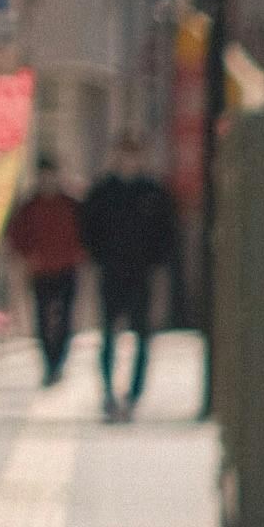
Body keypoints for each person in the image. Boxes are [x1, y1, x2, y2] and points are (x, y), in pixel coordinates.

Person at [78, 133, 178, 420]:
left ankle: (133, 395)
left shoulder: (153, 192)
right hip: (111, 270)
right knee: (109, 332)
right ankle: (109, 394)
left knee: (142, 334)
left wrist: (157, 262)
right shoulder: (104, 191)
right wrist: (99, 257)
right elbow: (88, 228)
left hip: (143, 272)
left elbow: (167, 232)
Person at [2, 159, 82, 390]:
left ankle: (59, 361)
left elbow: (84, 233)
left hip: (67, 268)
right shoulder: (30, 207)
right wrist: (28, 255)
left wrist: (77, 254)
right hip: (40, 270)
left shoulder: (70, 204)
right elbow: (16, 235)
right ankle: (50, 364)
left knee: (65, 319)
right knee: (43, 319)